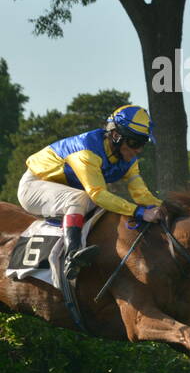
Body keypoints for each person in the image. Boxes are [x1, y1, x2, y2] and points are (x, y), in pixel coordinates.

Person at [19, 104, 162, 278]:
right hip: (34, 186)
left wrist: (164, 208)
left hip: (67, 191)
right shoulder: (86, 151)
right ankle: (72, 254)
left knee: (99, 206)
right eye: (134, 142)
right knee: (82, 199)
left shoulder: (130, 160)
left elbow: (141, 193)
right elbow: (98, 194)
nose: (138, 150)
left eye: (142, 144)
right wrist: (139, 212)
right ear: (116, 136)